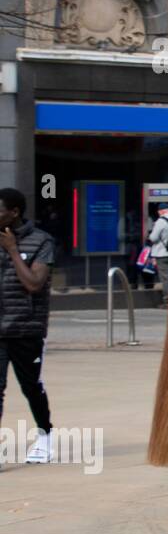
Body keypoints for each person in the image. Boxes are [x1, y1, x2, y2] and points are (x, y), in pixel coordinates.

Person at [0, 189, 56, 467]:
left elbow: (34, 283)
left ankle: (45, 435)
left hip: (26, 328)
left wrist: (12, 250)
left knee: (31, 386)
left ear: (14, 212)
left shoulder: (41, 241)